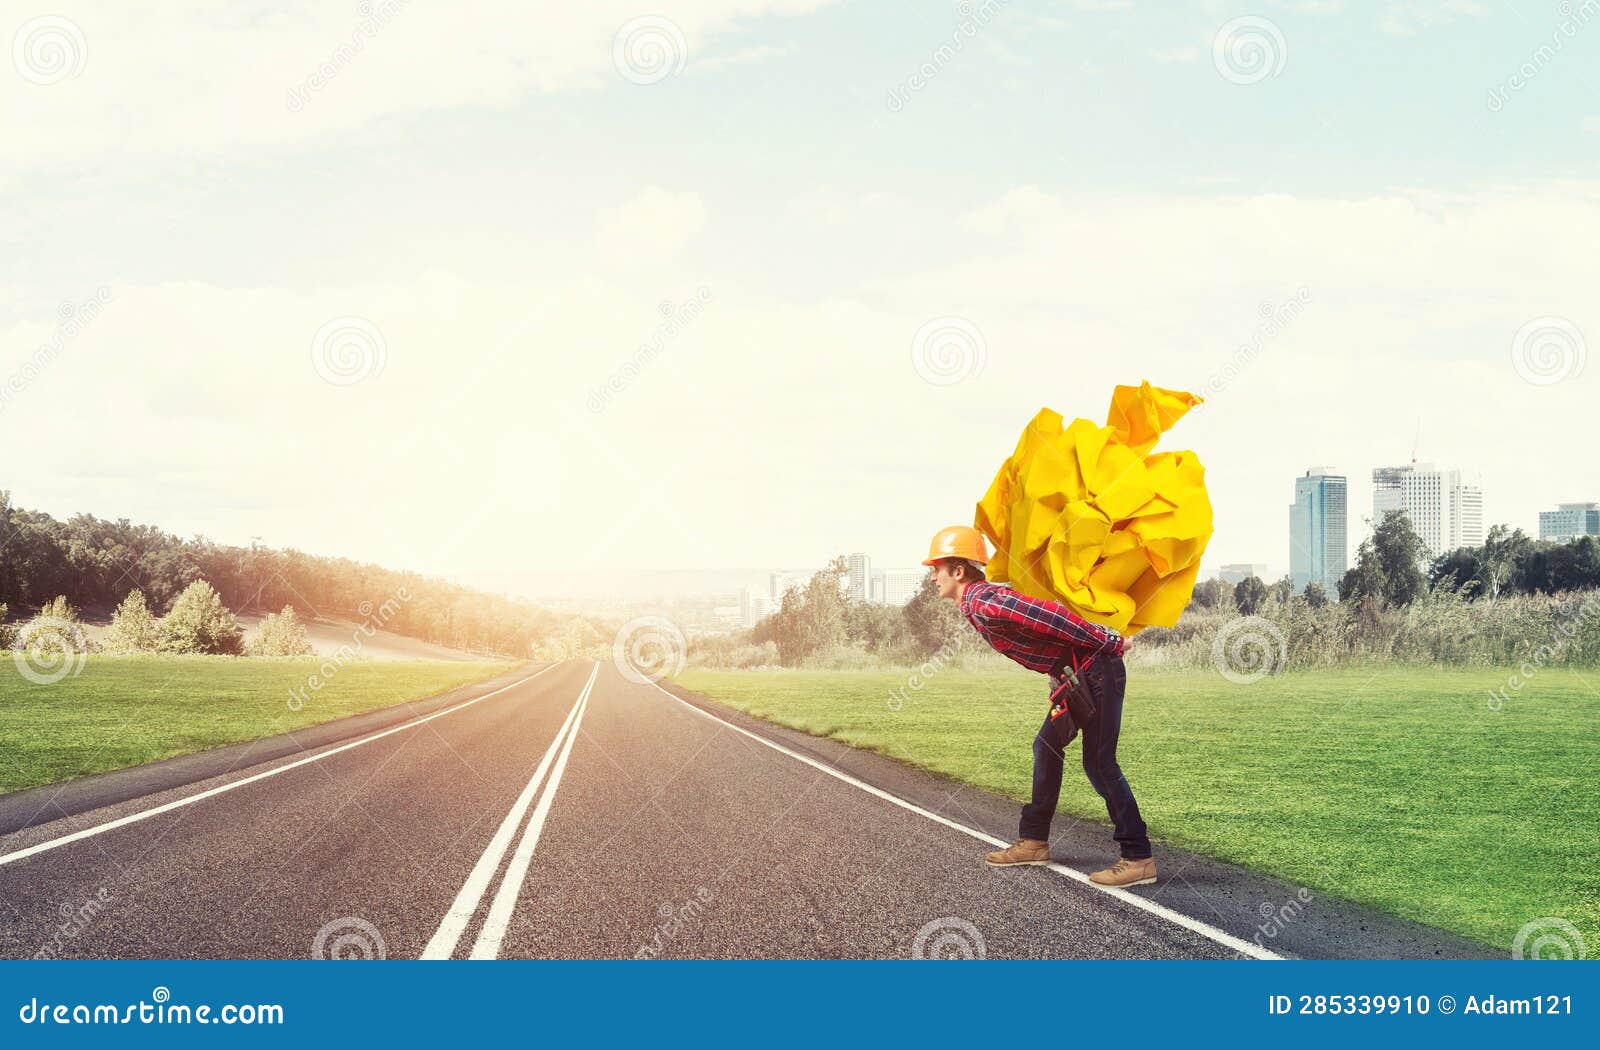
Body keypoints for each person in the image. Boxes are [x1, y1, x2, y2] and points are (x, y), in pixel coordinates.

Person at [923, 525, 1157, 887]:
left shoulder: (985, 600)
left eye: (936, 568)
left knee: (1099, 763)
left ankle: (1138, 857)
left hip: (1097, 670)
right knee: (1046, 746)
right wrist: (1060, 677)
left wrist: (1109, 641)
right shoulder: (976, 604)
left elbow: (1051, 616)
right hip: (1077, 676)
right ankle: (1033, 842)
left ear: (957, 571)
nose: (932, 576)